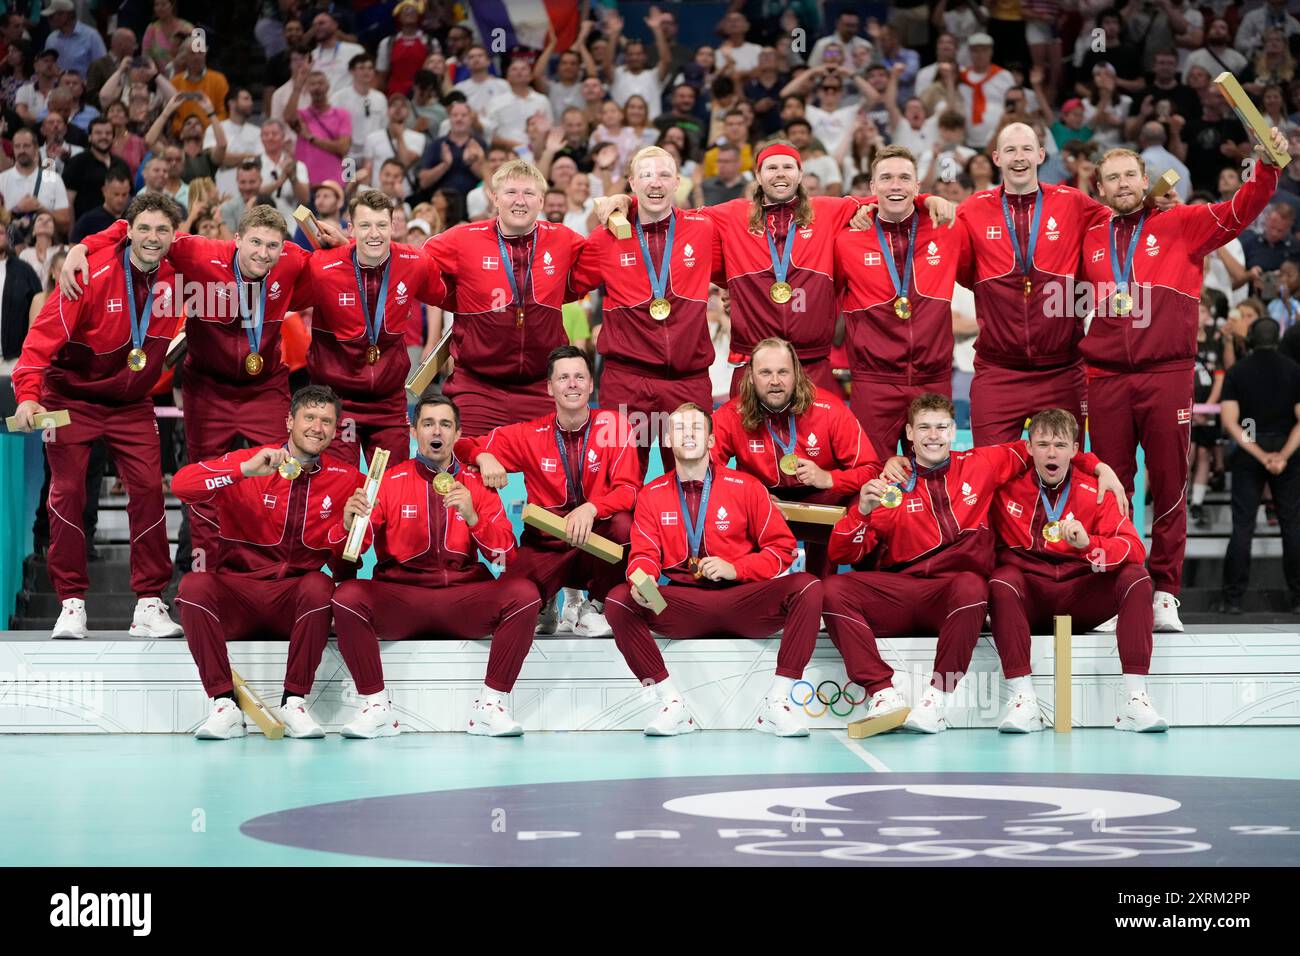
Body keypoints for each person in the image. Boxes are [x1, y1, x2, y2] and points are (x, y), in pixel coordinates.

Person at [1078, 129, 1289, 632]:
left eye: (1130, 175)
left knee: (1171, 482)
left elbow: (1242, 208)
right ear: (1101, 189)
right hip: (1104, 376)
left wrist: (1267, 165)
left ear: (1146, 180)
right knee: (1111, 487)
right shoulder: (1090, 236)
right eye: (1113, 178)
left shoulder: (1183, 223)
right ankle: (1121, 590)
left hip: (1166, 372)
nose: (1123, 183)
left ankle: (1165, 592)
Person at [822, 393, 1124, 733]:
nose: (933, 435)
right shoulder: (890, 485)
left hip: (955, 597)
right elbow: (841, 555)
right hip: (902, 591)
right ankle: (881, 692)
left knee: (972, 584)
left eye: (940, 427)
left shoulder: (982, 463)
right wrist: (861, 512)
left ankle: (937, 698)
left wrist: (1099, 467)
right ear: (909, 433)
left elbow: (1046, 449)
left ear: (954, 431)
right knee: (833, 589)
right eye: (924, 427)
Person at [63, 204, 331, 570]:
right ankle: (204, 574)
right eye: (254, 242)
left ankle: (277, 571)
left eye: (272, 246)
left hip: (265, 387)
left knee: (281, 476)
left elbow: (340, 262)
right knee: (206, 483)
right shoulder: (201, 252)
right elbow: (141, 228)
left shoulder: (292, 260)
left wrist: (343, 241)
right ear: (236, 240)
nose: (263, 253)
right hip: (208, 388)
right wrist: (82, 247)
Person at [596, 142, 952, 396]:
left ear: (800, 174)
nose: (780, 173)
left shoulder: (831, 210)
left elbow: (890, 196)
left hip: (813, 364)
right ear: (758, 175)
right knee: (744, 464)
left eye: (788, 167)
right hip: (753, 364)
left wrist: (925, 199)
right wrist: (627, 201)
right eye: (772, 167)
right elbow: (668, 213)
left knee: (823, 461)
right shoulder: (730, 215)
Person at [10, 193, 185, 640]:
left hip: (130, 404)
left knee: (148, 488)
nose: (152, 237)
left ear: (174, 235)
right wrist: (28, 397)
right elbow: (38, 343)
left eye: (162, 230)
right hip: (68, 401)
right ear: (127, 230)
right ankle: (71, 603)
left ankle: (148, 602)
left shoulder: (179, 274)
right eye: (143, 228)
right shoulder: (89, 273)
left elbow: (233, 256)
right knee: (67, 491)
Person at [604, 403, 821, 737]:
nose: (687, 434)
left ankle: (778, 703)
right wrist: (644, 575)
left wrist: (737, 568)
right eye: (678, 428)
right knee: (619, 599)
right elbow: (644, 552)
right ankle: (670, 704)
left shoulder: (746, 486)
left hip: (742, 600)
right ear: (668, 441)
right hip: (682, 604)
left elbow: (782, 548)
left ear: (710, 440)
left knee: (808, 586)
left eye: (695, 428)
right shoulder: (652, 494)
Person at [333, 392, 541, 738]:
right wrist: (349, 524)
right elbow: (353, 553)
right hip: (403, 599)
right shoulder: (388, 480)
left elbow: (506, 556)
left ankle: (491, 705)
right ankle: (375, 705)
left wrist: (474, 517)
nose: (437, 431)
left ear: (458, 435)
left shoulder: (476, 483)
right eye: (428, 423)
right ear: (413, 431)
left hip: (462, 598)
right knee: (346, 596)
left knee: (525, 594)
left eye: (445, 425)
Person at [171, 385, 362, 739]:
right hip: (239, 597)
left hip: (293, 604)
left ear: (336, 430)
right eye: (309, 417)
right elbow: (182, 485)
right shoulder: (254, 460)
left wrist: (347, 528)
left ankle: (294, 703)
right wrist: (243, 470)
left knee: (319, 584)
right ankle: (224, 704)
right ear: (289, 420)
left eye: (326, 421)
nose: (317, 427)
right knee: (193, 586)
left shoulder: (347, 478)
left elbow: (347, 561)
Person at [988, 408, 1166, 733]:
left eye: (1059, 445)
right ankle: (1023, 700)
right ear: (1028, 448)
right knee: (1002, 580)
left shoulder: (1096, 491)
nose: (1051, 453)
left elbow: (1134, 548)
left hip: (1081, 596)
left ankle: (1136, 699)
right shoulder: (1005, 489)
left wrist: (1089, 544)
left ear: (1074, 450)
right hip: (1031, 599)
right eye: (1042, 444)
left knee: (1137, 578)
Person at [461, 346, 639, 637]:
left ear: (591, 385)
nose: (572, 384)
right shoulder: (530, 433)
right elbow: (462, 445)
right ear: (549, 387)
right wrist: (483, 457)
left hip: (597, 543)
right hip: (549, 546)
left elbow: (630, 490)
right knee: (511, 598)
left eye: (580, 377)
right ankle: (546, 604)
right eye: (564, 378)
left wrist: (592, 508)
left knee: (624, 526)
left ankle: (594, 606)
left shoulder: (614, 426)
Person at [952, 123, 1111, 445]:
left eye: (1026, 149)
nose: (1019, 157)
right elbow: (956, 262)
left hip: (1062, 370)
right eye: (1010, 150)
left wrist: (1157, 202)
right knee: (990, 472)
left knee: (1064, 471)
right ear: (996, 158)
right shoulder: (972, 209)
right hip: (999, 372)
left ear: (1040, 154)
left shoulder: (1073, 202)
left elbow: (1124, 217)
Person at [568, 146, 716, 475]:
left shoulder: (703, 229)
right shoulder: (605, 239)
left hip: (687, 382)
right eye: (646, 175)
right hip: (626, 381)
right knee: (614, 480)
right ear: (632, 183)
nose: (655, 183)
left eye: (664, 174)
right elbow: (565, 286)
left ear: (678, 182)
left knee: (696, 481)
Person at [424, 159, 585, 436]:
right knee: (469, 475)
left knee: (549, 476)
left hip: (541, 388)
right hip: (477, 388)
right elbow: (413, 266)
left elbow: (605, 257)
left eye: (529, 193)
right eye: (511, 192)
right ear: (494, 197)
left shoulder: (563, 239)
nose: (519, 201)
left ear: (541, 200)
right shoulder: (462, 239)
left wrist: (624, 206)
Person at [289, 188, 446, 465]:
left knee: (391, 491)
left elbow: (450, 297)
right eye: (365, 225)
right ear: (351, 228)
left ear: (393, 225)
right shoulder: (321, 267)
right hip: (336, 402)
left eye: (381, 225)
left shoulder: (415, 262)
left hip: (388, 404)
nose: (374, 234)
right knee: (339, 490)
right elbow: (283, 300)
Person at [835, 144, 971, 456]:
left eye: (904, 178)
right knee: (871, 477)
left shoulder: (946, 227)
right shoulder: (846, 239)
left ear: (917, 185)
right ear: (872, 187)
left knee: (932, 476)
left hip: (933, 379)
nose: (895, 185)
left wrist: (927, 202)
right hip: (874, 383)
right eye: (886, 178)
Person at [711, 337, 879, 577]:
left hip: (820, 494)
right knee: (725, 501)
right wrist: (748, 493)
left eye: (783, 372)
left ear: (796, 374)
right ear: (750, 376)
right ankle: (744, 587)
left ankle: (826, 589)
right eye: (765, 373)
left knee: (865, 502)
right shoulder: (731, 414)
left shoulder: (829, 409)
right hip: (762, 498)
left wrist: (829, 479)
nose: (775, 381)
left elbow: (871, 468)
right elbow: (708, 468)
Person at [1220, 317, 1300, 615]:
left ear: (1251, 339)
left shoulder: (1239, 371)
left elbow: (1231, 422)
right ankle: (1298, 598)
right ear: (1277, 338)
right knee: (1292, 527)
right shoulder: (1294, 371)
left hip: (1250, 446)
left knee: (1242, 527)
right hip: (1286, 449)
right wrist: (1282, 455)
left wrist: (1260, 455)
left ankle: (1232, 600)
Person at [61, 116, 131, 223]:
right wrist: (72, 234)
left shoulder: (122, 164)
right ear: (90, 137)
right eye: (98, 133)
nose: (104, 136)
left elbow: (129, 199)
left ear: (113, 137)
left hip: (118, 230)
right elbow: (68, 202)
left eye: (108, 133)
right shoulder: (77, 163)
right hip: (87, 230)